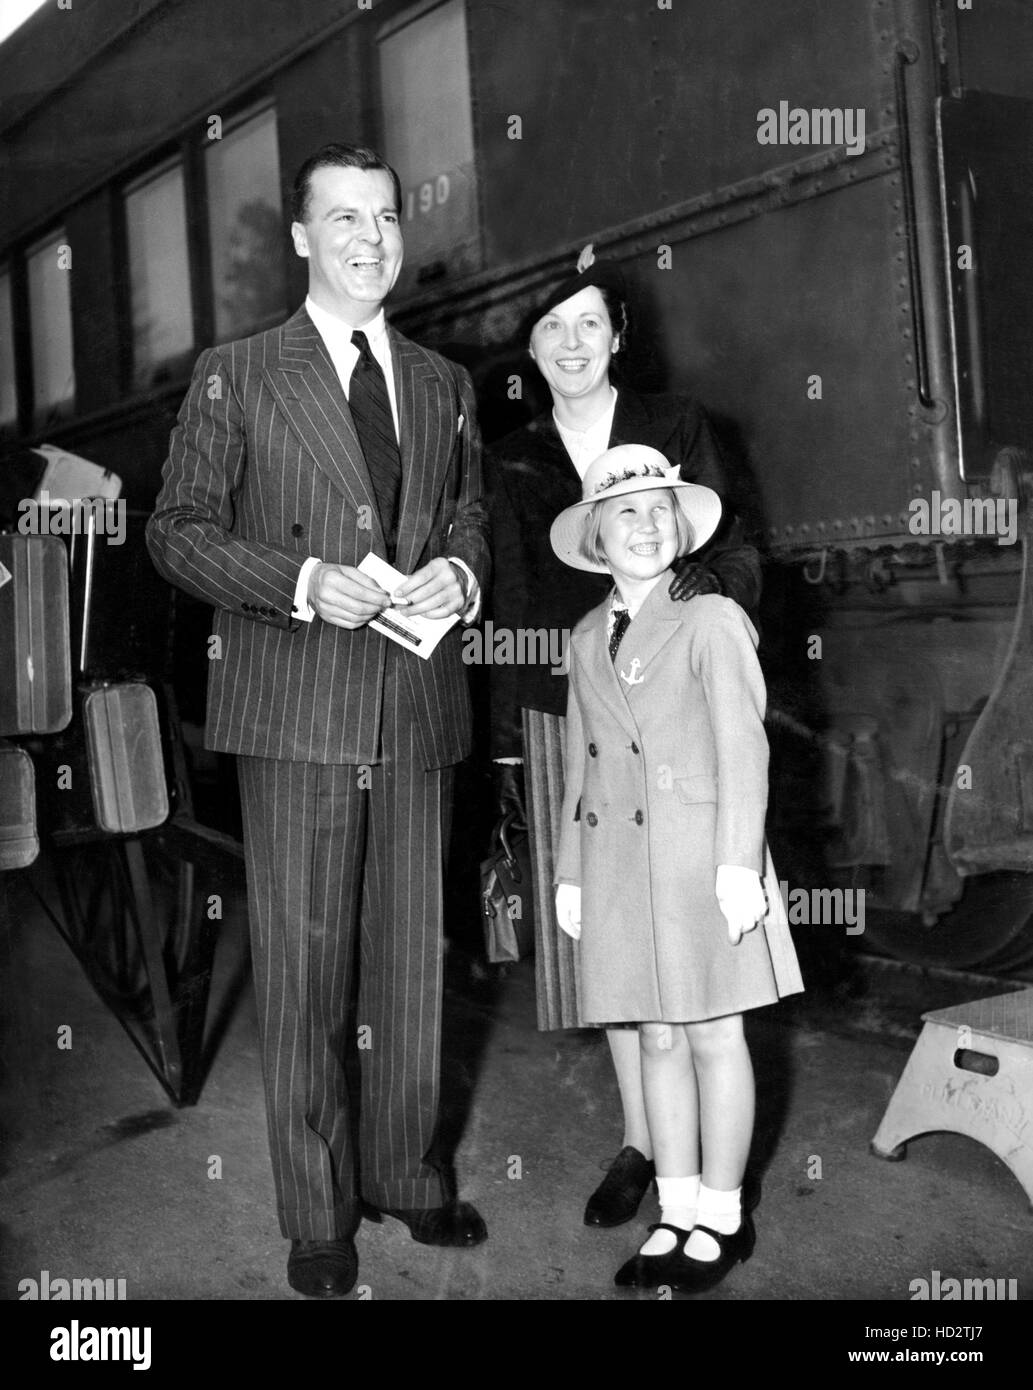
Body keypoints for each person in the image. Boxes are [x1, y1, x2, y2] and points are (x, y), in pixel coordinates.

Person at [146, 142, 490, 1299]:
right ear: (301, 238)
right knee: (304, 971)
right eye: (342, 218)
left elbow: (472, 514)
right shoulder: (235, 371)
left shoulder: (442, 382)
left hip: (415, 699)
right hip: (295, 706)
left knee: (410, 961)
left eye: (385, 217)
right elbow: (176, 530)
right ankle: (318, 1209)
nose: (368, 238)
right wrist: (299, 584)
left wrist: (461, 577)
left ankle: (405, 1171)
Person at [486, 251, 761, 1229]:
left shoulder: (676, 426)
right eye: (550, 327)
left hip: (677, 692)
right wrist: (521, 743)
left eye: (587, 322)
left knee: (688, 949)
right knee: (610, 949)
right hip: (577, 706)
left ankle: (697, 1184)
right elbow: (514, 593)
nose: (570, 341)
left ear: (617, 334)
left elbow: (732, 552)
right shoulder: (510, 451)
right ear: (529, 348)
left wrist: (692, 627)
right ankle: (642, 1143)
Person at [550, 444, 803, 1292]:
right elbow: (582, 763)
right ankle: (676, 1207)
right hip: (620, 864)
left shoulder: (710, 617)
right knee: (655, 1037)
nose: (647, 523)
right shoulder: (586, 638)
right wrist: (569, 870)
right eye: (626, 511)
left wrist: (738, 864)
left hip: (701, 858)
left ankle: (723, 1217)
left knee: (712, 1033)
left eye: (662, 509)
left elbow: (744, 747)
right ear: (594, 536)